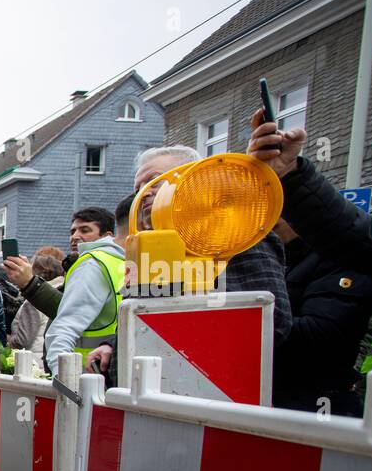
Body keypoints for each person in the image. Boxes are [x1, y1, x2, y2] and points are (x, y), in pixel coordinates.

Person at [86, 145, 291, 378]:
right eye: (138, 188)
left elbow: (271, 323)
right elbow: (146, 316)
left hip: (207, 392)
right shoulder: (151, 247)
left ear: (195, 180)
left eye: (154, 181)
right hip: (151, 392)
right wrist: (112, 346)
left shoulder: (238, 238)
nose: (144, 193)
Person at [245, 109, 372, 416]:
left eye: (267, 200)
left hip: (319, 409)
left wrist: (233, 324)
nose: (257, 213)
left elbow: (319, 340)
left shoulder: (336, 259)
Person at [43, 207, 126, 377]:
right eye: (72, 231)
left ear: (107, 235)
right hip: (115, 373)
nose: (75, 236)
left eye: (85, 230)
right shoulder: (121, 261)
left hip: (83, 378)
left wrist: (62, 376)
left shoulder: (91, 263)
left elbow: (66, 325)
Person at [8, 248, 64, 358]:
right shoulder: (62, 294)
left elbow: (23, 340)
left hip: (33, 363)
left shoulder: (35, 299)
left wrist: (8, 339)